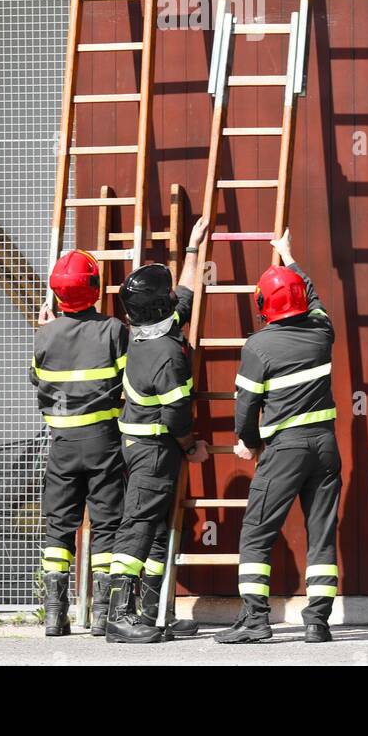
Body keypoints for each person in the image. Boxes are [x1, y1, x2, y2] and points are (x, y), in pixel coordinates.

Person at [215, 228, 342, 645]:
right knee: (321, 531)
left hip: (285, 448)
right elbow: (314, 296)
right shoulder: (323, 333)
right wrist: (290, 255)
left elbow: (245, 405)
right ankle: (317, 622)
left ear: (264, 306)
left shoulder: (258, 346)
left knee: (256, 529)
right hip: (324, 445)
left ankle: (255, 620)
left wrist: (246, 440)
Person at [104, 217, 210, 643]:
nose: (173, 299)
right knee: (138, 524)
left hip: (145, 445)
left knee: (153, 525)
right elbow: (177, 414)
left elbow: (182, 295)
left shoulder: (150, 334)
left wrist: (192, 248)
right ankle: (119, 617)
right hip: (153, 449)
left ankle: (149, 614)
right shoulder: (168, 355)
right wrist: (191, 446)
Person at [31, 249, 127, 638]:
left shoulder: (45, 335)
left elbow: (38, 381)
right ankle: (102, 614)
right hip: (104, 440)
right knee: (106, 523)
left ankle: (55, 615)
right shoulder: (114, 330)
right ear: (95, 288)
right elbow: (131, 383)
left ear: (56, 293)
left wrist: (47, 331)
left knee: (59, 525)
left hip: (62, 442)